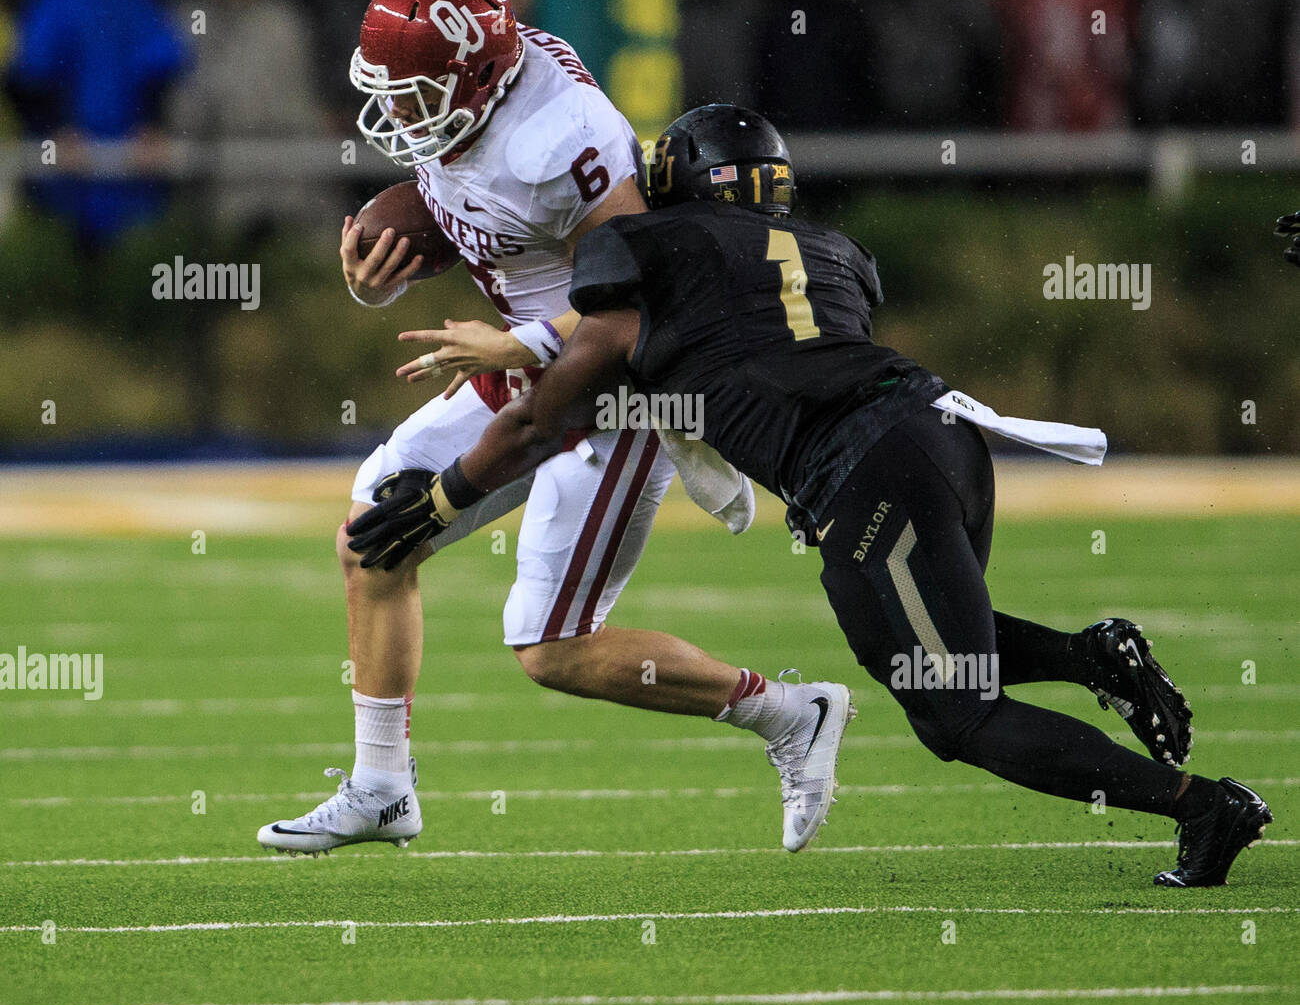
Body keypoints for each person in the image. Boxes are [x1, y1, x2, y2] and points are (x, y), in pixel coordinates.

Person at [349, 104, 1272, 888]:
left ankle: (1202, 807)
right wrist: (531, 346)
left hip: (861, 470)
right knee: (945, 644)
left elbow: (549, 416)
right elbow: (727, 330)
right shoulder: (834, 250)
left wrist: (441, 499)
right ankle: (1093, 653)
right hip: (945, 433)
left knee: (959, 715)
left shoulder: (643, 246)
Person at [258, 0, 840, 857]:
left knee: (553, 645)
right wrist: (378, 274)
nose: (403, 119)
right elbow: (479, 220)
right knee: (373, 534)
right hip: (524, 361)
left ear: (476, 76)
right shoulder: (479, 98)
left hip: (612, 388)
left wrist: (518, 343)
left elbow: (644, 299)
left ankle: (790, 713)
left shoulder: (564, 137)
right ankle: (381, 787)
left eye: (417, 96)